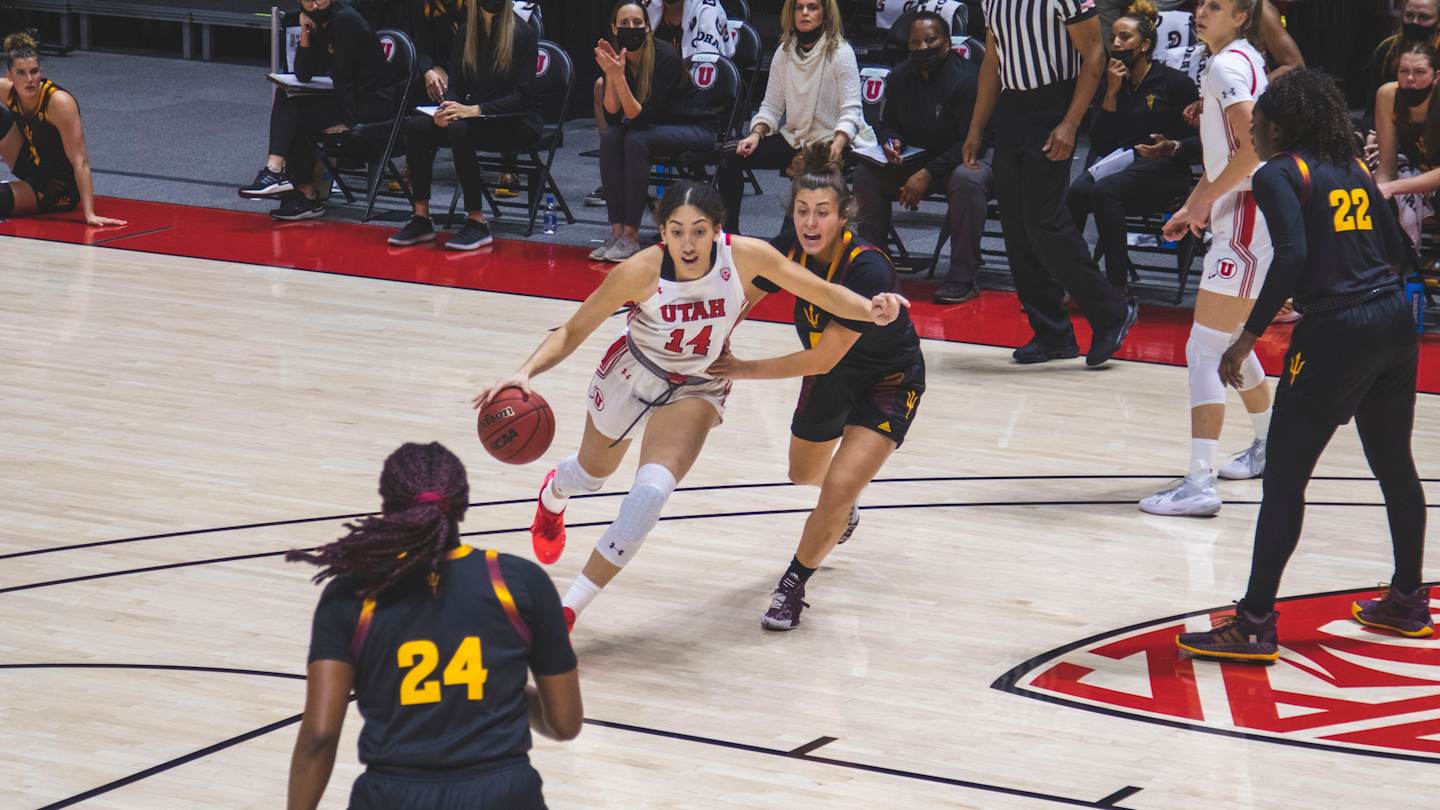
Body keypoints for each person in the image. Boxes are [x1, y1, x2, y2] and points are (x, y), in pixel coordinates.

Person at [472, 181, 908, 632]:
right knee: (589, 475)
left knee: (650, 493)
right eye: (677, 231)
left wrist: (873, 307)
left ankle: (567, 611)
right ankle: (553, 495)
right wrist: (525, 372)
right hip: (633, 372)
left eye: (699, 231)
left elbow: (826, 293)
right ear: (662, 233)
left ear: (718, 231)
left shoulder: (747, 257)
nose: (688, 243)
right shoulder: (639, 270)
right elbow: (571, 330)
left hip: (698, 384)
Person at [1175, 69, 1429, 662]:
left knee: (1286, 478)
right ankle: (1407, 598)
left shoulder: (1278, 173)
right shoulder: (1355, 169)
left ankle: (1255, 621)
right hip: (1393, 321)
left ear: (1280, 125)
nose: (1251, 136)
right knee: (1395, 466)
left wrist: (1247, 338)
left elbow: (1292, 253)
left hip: (1336, 329)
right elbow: (1394, 251)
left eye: (1257, 125)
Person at [285, 442, 582, 810]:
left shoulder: (353, 594)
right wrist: (502, 690)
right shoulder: (518, 582)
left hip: (394, 796)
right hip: (503, 794)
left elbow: (319, 734)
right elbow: (565, 723)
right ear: (461, 506)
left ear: (386, 507)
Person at [709, 143, 926, 631]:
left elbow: (823, 355)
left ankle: (792, 586)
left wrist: (739, 368)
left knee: (835, 488)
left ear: (843, 216)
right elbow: (743, 299)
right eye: (803, 211)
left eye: (822, 213)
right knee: (802, 474)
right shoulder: (789, 250)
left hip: (886, 381)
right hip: (830, 379)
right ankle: (843, 508)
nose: (810, 222)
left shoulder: (867, 267)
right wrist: (708, 333)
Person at [1138, 0, 1275, 516]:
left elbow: (1256, 146)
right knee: (1228, 340)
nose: (1201, 12)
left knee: (1204, 350)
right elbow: (1229, 150)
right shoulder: (1243, 58)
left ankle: (1199, 484)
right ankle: (1269, 443)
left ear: (1241, 16)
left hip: (1246, 215)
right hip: (1247, 211)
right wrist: (1194, 204)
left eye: (1215, 6)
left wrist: (1204, 201)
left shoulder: (1225, 66)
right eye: (1200, 4)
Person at [962, 0, 1138, 366]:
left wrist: (1072, 124)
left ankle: (1112, 312)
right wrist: (976, 128)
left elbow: (1093, 54)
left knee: (1045, 221)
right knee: (1015, 223)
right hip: (1012, 107)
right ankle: (1052, 332)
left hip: (1055, 103)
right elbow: (993, 61)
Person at [853, 11, 994, 305]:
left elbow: (972, 142)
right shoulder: (900, 76)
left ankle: (962, 276)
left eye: (930, 40)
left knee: (968, 179)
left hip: (961, 157)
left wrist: (927, 173)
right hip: (915, 158)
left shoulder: (967, 79)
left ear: (946, 43)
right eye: (915, 42)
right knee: (865, 175)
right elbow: (888, 123)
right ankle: (877, 268)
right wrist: (892, 141)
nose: (922, 48)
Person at [387, 0, 540, 251]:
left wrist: (475, 110)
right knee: (417, 126)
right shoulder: (467, 33)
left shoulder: (523, 34)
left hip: (516, 120)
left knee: (460, 128)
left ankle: (476, 221)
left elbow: (523, 96)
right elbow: (456, 84)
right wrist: (447, 107)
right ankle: (421, 217)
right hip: (475, 116)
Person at [1068, 0, 1198, 294]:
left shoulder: (1175, 83)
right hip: (1121, 165)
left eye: (1124, 37)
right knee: (1076, 192)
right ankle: (1073, 276)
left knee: (1104, 191)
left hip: (1165, 171)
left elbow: (1201, 144)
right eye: (1113, 36)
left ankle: (1116, 286)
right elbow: (1101, 143)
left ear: (1145, 45)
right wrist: (1111, 94)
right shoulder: (1112, 82)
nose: (1115, 43)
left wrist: (1172, 146)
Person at [716, 0, 875, 234]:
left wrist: (837, 147)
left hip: (833, 140)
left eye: (812, 7)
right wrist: (756, 134)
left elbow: (851, 111)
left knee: (792, 228)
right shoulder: (784, 52)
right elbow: (771, 105)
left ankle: (792, 240)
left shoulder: (841, 52)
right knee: (730, 155)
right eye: (799, 8)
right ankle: (730, 237)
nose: (805, 13)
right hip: (796, 138)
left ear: (825, 13)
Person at [239, 0, 402, 222]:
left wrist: (348, 121)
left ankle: (298, 189)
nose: (314, 4)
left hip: (372, 102)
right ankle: (277, 172)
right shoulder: (315, 21)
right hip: (346, 96)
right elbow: (303, 74)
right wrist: (306, 36)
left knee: (298, 118)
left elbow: (343, 77)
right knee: (286, 97)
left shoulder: (346, 20)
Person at [589, 1, 728, 262]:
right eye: (625, 24)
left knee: (636, 139)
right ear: (614, 29)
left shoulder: (665, 57)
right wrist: (611, 75)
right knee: (611, 137)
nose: (632, 28)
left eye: (638, 23)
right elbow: (611, 116)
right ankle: (617, 230)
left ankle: (631, 235)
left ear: (648, 28)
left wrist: (618, 79)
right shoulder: (617, 57)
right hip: (658, 128)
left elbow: (641, 120)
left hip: (695, 127)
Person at [0, 32, 124, 226]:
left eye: (34, 71)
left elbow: (80, 161)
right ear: (10, 76)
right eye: (21, 73)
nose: (29, 79)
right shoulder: (7, 90)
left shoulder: (59, 102)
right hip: (29, 164)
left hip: (58, 186)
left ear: (41, 71)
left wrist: (89, 213)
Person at [1376, 42, 1440, 248]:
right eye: (1404, 71)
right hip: (1413, 173)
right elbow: (1387, 166)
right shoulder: (1388, 95)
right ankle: (1396, 273)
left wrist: (1392, 188)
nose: (1410, 79)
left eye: (1420, 72)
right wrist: (1377, 191)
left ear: (1436, 76)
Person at [1368, 0, 1440, 126]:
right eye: (1409, 15)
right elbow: (1371, 110)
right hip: (1393, 126)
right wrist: (1372, 134)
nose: (1415, 22)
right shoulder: (1387, 50)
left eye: (1424, 17)